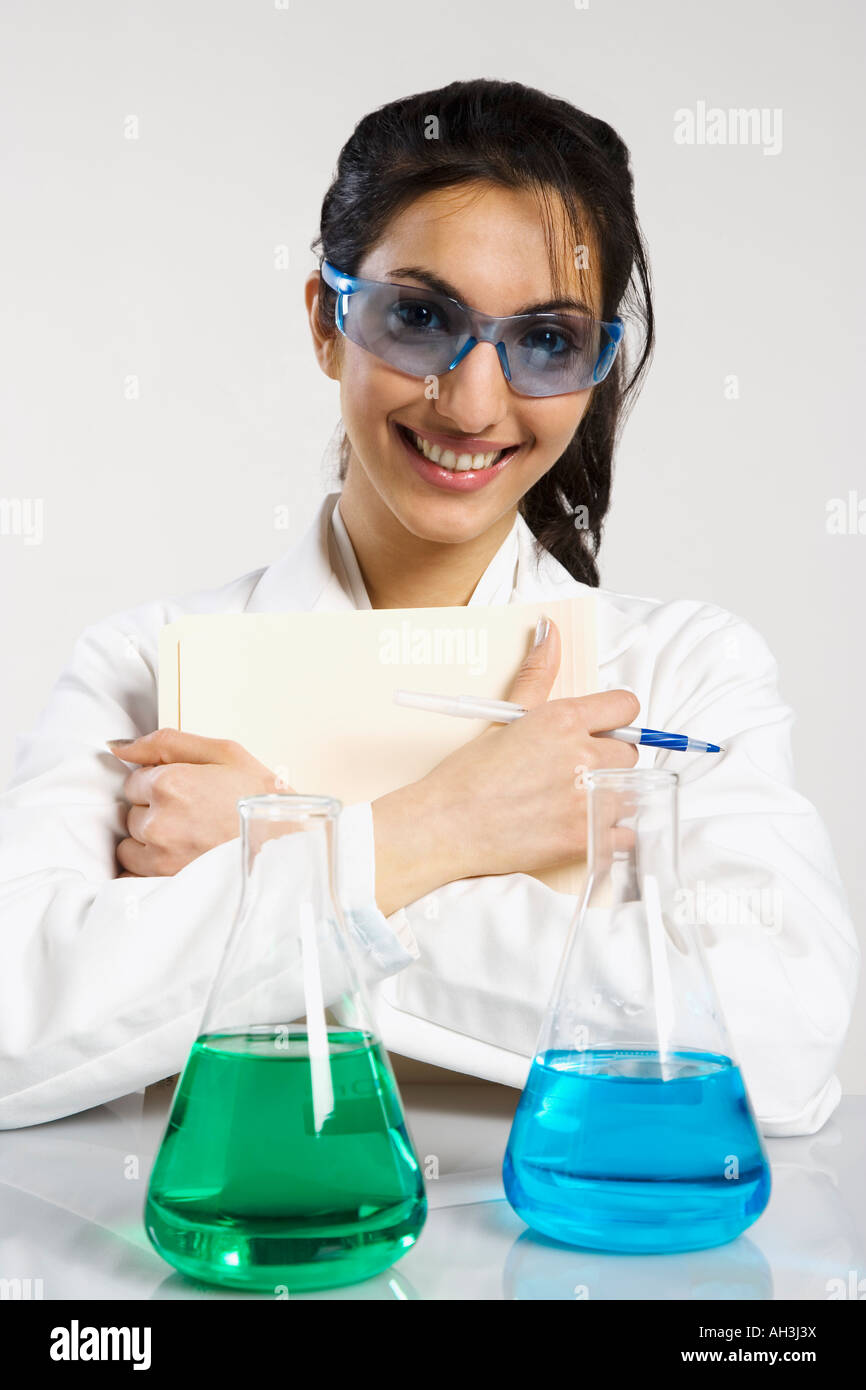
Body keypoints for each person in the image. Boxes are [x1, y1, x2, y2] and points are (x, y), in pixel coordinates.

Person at [0, 80, 857, 1134]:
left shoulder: (679, 669)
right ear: (326, 319)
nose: (473, 402)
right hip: (248, 1264)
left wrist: (291, 858)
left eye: (545, 340)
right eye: (418, 317)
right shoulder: (141, 668)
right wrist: (441, 826)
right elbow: (14, 1031)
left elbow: (778, 1042)